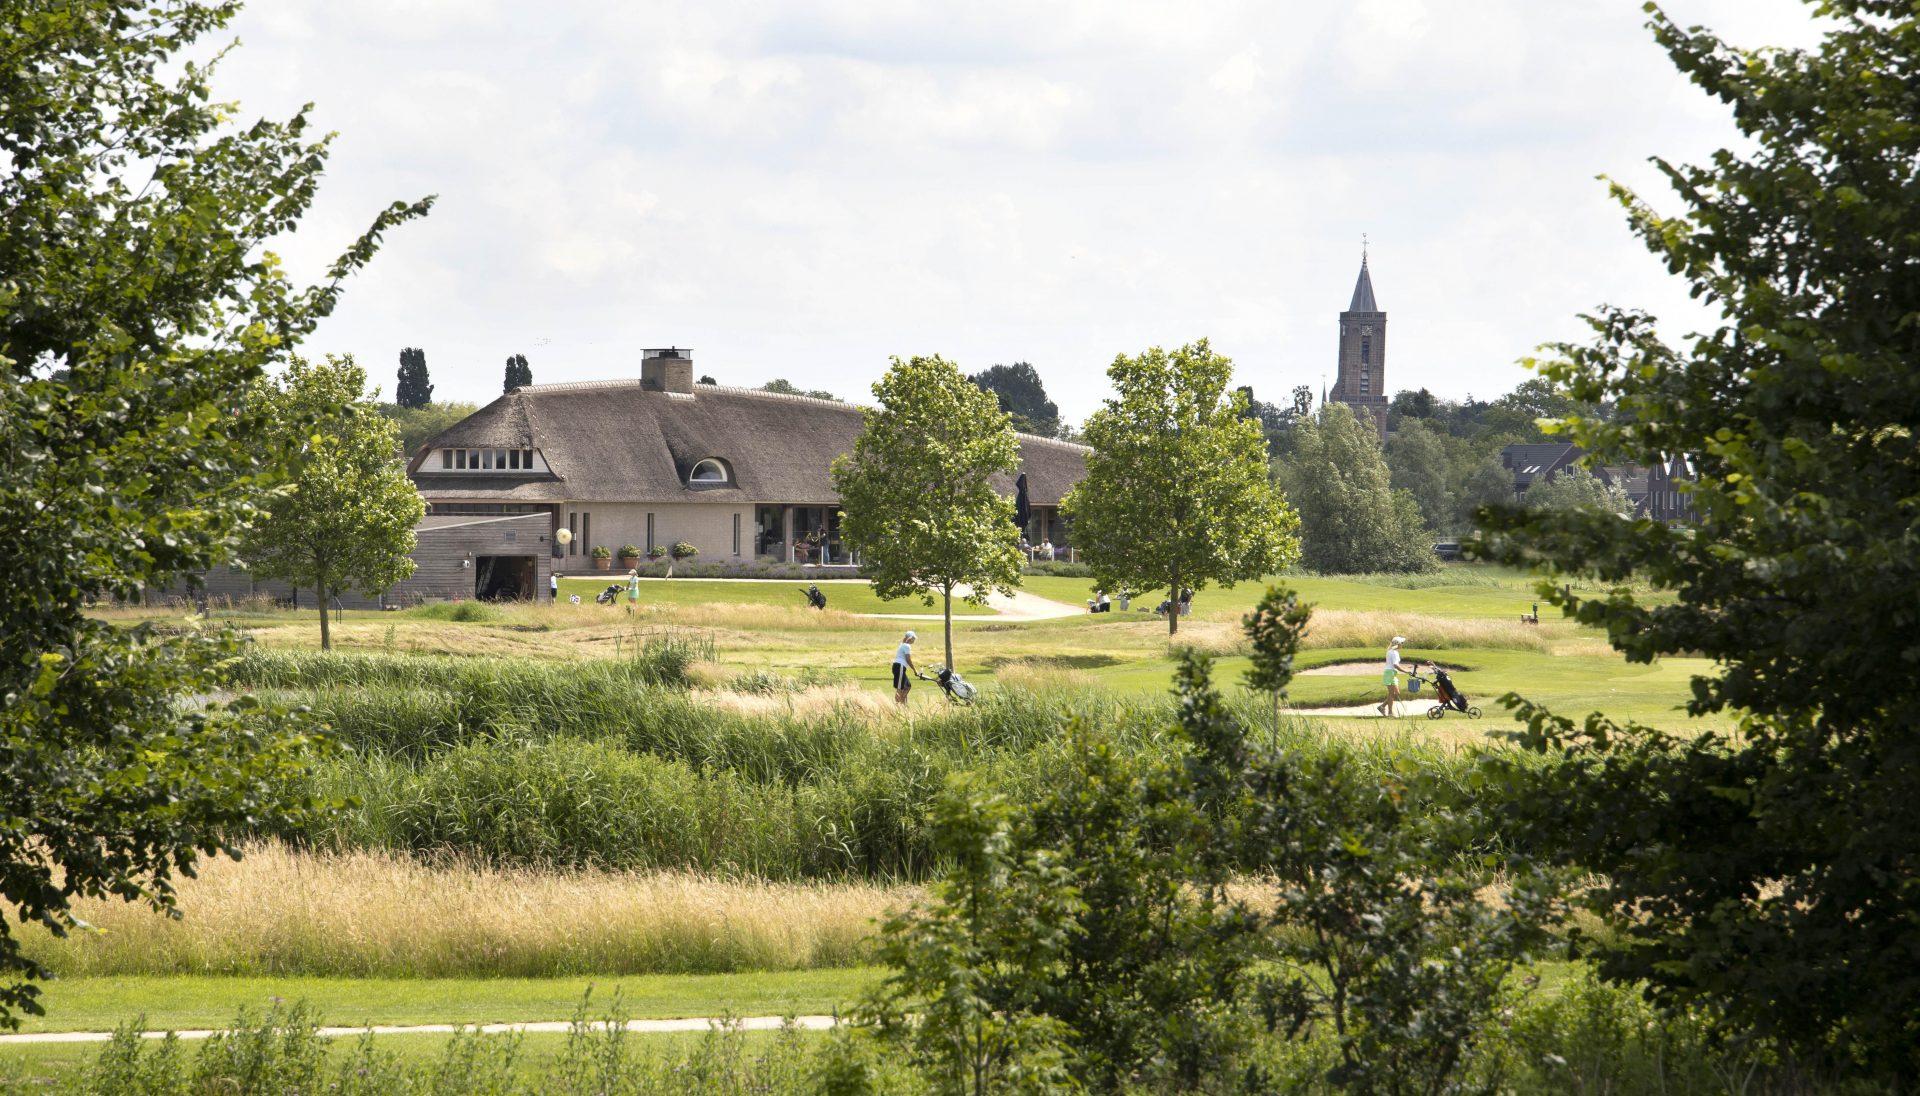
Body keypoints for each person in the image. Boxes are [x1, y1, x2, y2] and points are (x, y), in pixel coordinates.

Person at [1377, 635, 1407, 716]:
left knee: (1396, 693)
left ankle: (1382, 706)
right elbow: (1395, 665)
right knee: (1391, 693)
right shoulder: (1394, 652)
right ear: (1398, 644)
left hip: (1391, 673)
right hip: (1390, 673)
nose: (1402, 644)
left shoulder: (1390, 651)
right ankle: (1390, 713)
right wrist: (1406, 671)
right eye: (1402, 643)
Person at [892, 630, 919, 705]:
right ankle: (898, 705)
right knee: (900, 688)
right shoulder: (907, 646)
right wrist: (915, 670)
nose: (914, 640)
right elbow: (908, 659)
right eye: (914, 638)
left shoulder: (902, 644)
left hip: (898, 667)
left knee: (908, 686)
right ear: (910, 638)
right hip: (899, 667)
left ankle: (902, 703)